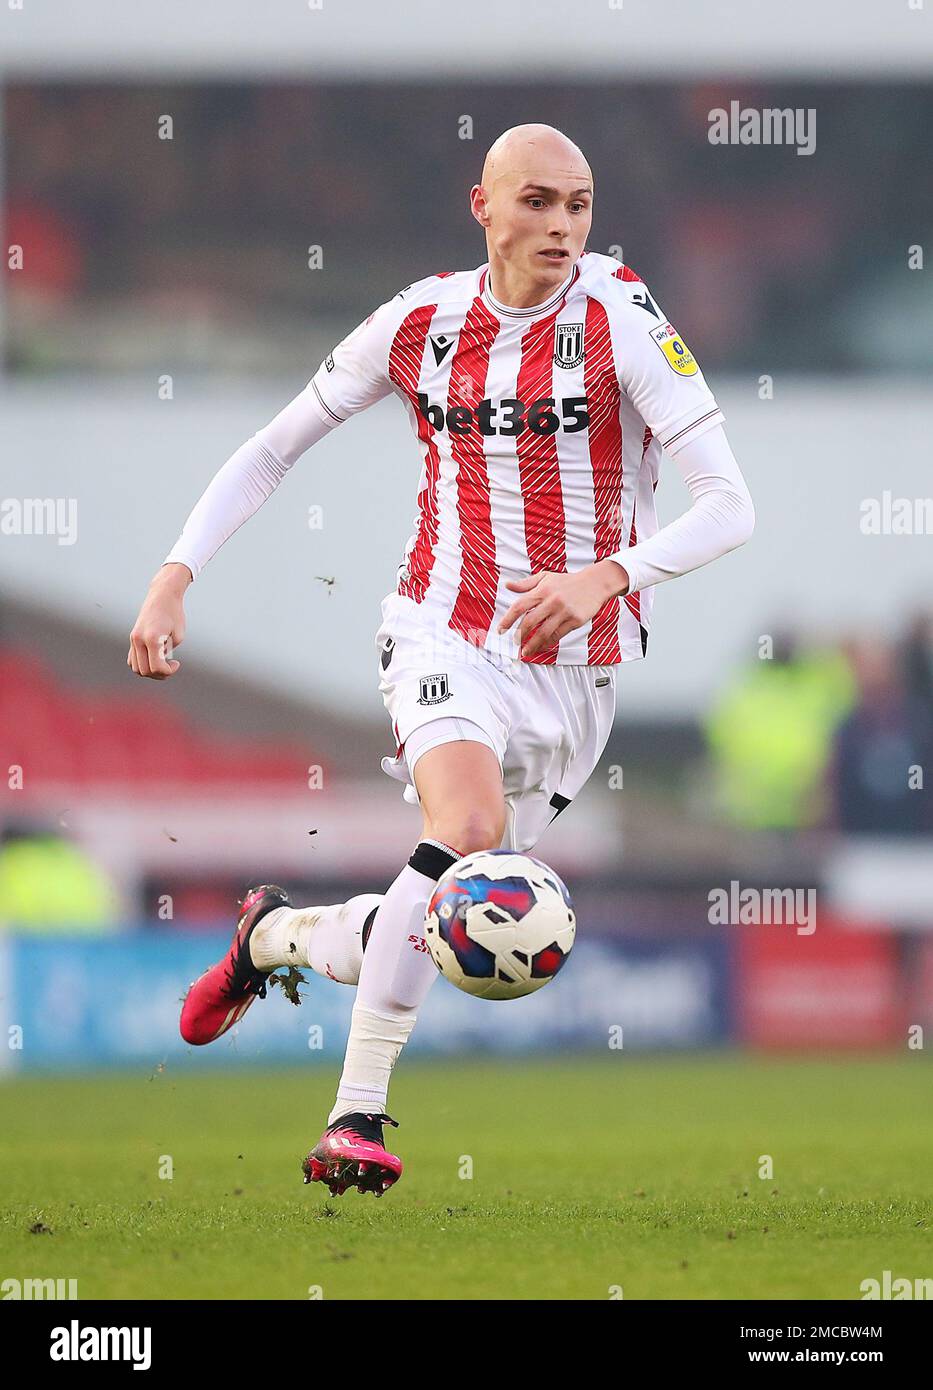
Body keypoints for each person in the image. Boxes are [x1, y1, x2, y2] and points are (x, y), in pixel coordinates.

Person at [128, 123, 754, 1198]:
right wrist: (176, 571)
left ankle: (272, 937)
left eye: (580, 204)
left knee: (454, 916)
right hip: (443, 627)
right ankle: (355, 1117)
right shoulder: (420, 321)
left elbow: (731, 507)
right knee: (462, 836)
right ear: (484, 206)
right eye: (538, 202)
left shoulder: (620, 321)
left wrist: (605, 574)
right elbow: (274, 446)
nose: (561, 226)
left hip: (577, 671)